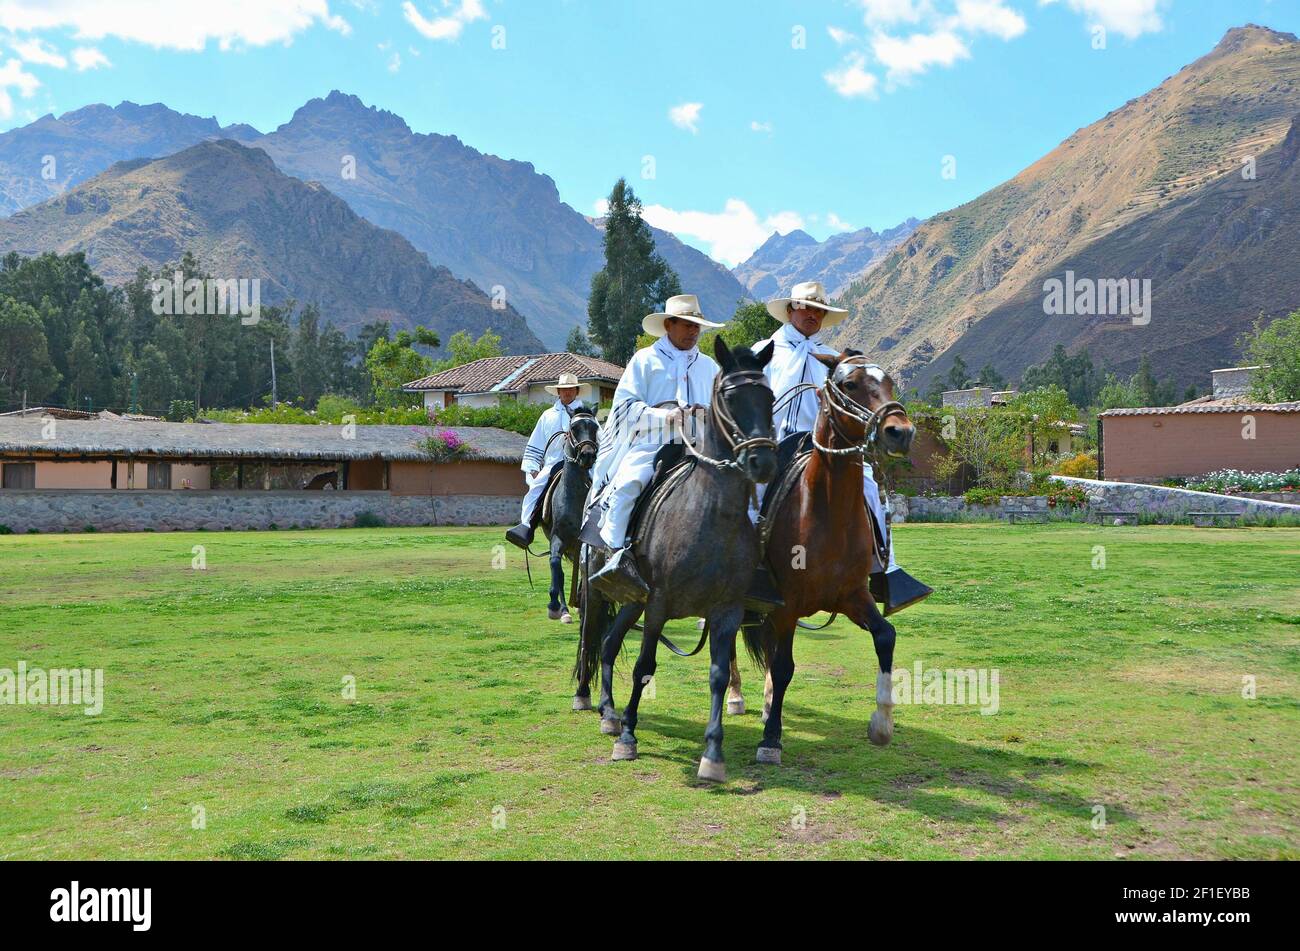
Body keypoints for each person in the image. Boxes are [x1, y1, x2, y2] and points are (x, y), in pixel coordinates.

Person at [753, 281, 932, 615]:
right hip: (773, 445)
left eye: (819, 310)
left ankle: (886, 570)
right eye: (807, 308)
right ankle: (747, 572)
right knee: (752, 491)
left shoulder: (835, 361)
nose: (813, 315)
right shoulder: (764, 350)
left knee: (867, 483)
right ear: (791, 310)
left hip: (822, 446)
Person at [585, 294, 723, 598]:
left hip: (700, 448)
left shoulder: (710, 367)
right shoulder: (645, 360)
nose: (693, 331)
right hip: (653, 443)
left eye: (697, 326)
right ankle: (615, 557)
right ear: (668, 325)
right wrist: (665, 416)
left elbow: (722, 410)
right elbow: (623, 409)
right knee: (629, 484)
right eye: (687, 325)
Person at [504, 373, 587, 550]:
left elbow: (599, 440)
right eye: (564, 389)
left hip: (582, 464)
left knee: (602, 488)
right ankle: (526, 527)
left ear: (577, 390)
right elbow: (536, 443)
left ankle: (605, 529)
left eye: (571, 389)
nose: (567, 393)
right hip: (553, 464)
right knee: (536, 489)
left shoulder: (587, 415)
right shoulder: (547, 416)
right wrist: (533, 467)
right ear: (558, 391)